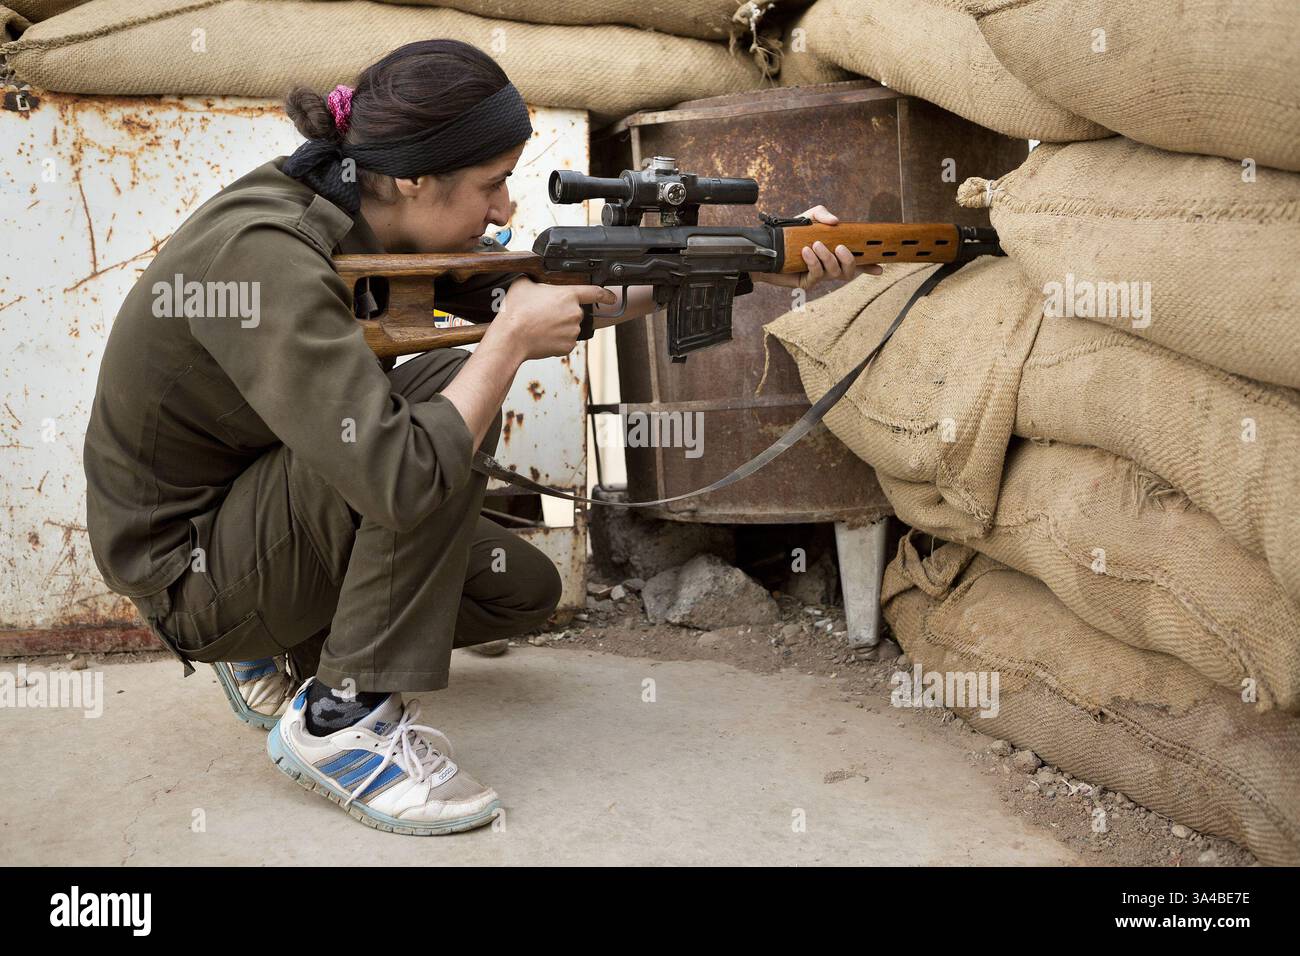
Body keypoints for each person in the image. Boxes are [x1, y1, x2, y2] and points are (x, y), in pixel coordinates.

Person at [83, 38, 871, 836]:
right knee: (434, 421)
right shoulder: (266, 256)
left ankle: (286, 645)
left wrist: (750, 259)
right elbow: (404, 473)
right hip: (191, 569)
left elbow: (528, 287)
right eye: (491, 185)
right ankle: (338, 723)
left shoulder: (360, 205)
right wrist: (505, 346)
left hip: (257, 500)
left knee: (516, 589)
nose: (505, 210)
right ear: (412, 179)